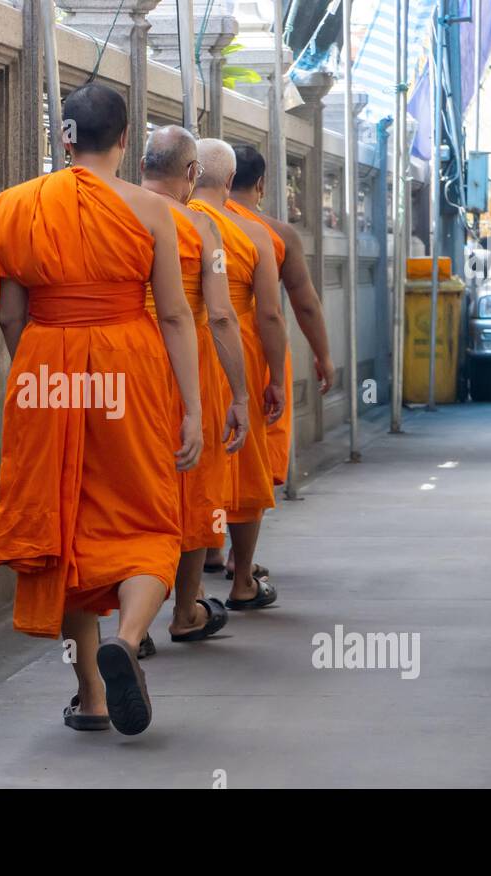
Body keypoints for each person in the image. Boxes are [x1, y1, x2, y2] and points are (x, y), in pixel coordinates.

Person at [0, 83, 203, 736]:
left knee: (66, 524)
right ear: (126, 140)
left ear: (65, 137)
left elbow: (11, 314)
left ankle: (92, 696)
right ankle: (129, 640)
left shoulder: (16, 208)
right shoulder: (153, 211)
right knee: (146, 513)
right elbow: (172, 313)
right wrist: (191, 406)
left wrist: (42, 368)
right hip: (128, 368)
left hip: (47, 367)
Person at [137, 125, 250, 652]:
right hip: (189, 366)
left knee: (127, 489)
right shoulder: (204, 230)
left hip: (122, 363)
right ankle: (185, 611)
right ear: (190, 175)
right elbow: (223, 317)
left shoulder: (115, 210)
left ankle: (125, 627)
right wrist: (241, 396)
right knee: (191, 485)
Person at [185, 138, 287, 610]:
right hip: (236, 352)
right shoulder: (254, 233)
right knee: (243, 464)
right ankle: (242, 578)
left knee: (188, 465)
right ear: (230, 182)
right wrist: (277, 380)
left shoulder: (168, 220)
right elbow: (270, 316)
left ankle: (192, 594)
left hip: (179, 350)